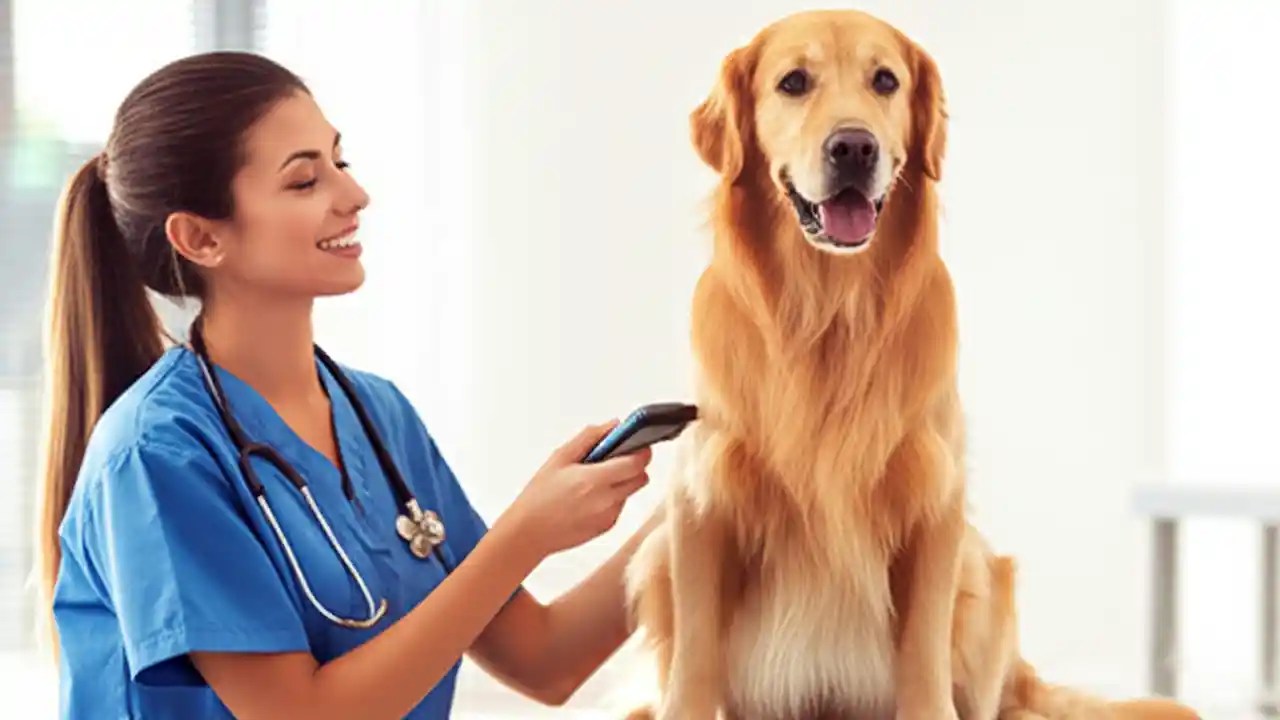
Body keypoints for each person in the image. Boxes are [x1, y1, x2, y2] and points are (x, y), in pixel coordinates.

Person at [36, 50, 659, 719]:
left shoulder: (377, 415)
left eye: (341, 162)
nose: (354, 197)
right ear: (199, 238)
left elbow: (545, 659)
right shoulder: (156, 454)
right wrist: (525, 536)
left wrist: (699, 509)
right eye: (305, 181)